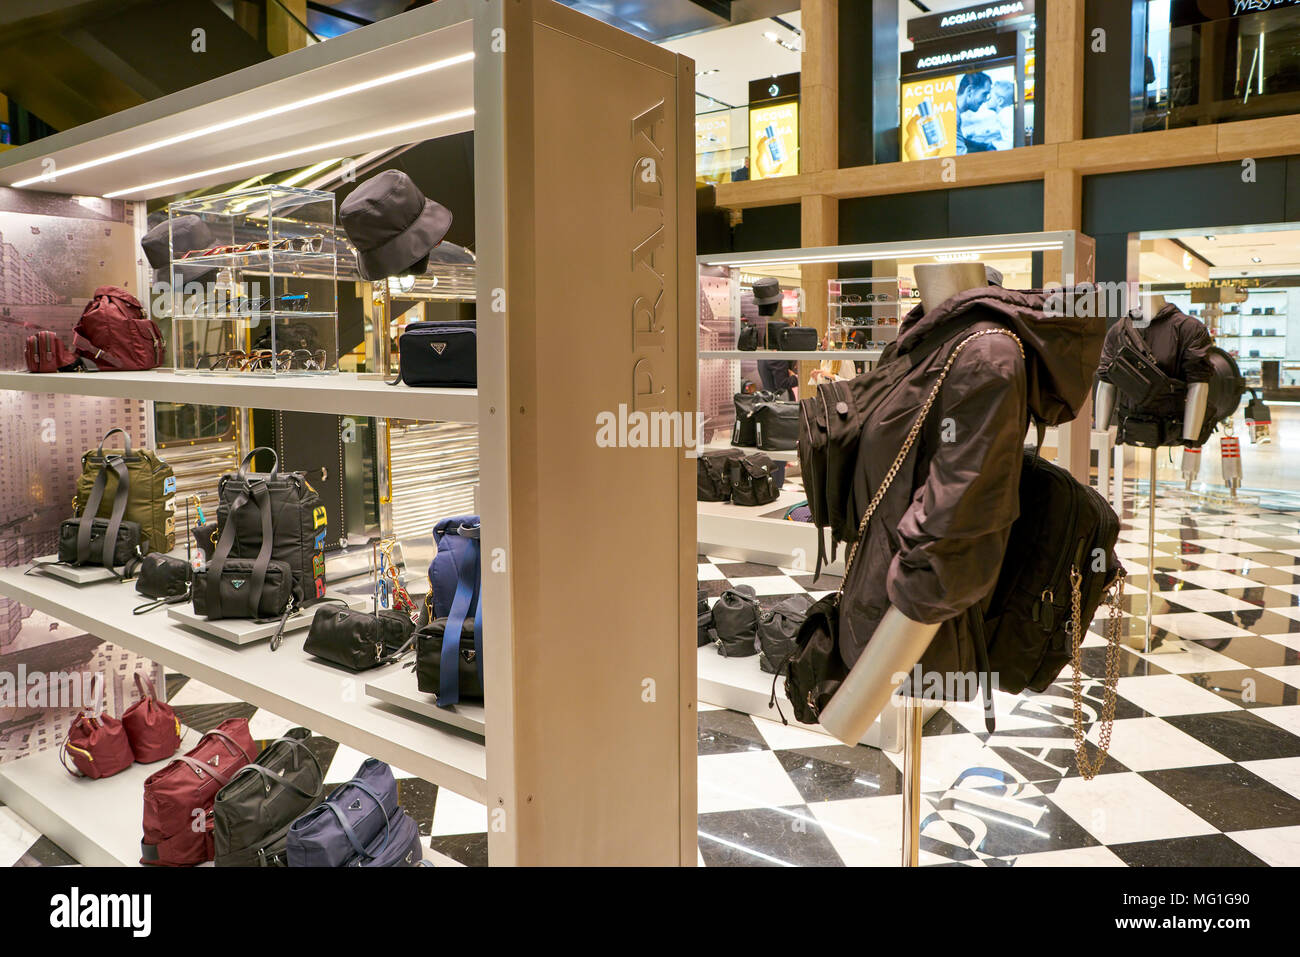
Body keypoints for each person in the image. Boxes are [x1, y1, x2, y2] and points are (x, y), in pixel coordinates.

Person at [955, 72, 996, 154]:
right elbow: (961, 155)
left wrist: (984, 146)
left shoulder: (951, 109)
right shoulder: (954, 115)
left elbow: (958, 140)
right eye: (984, 94)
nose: (985, 100)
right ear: (970, 91)